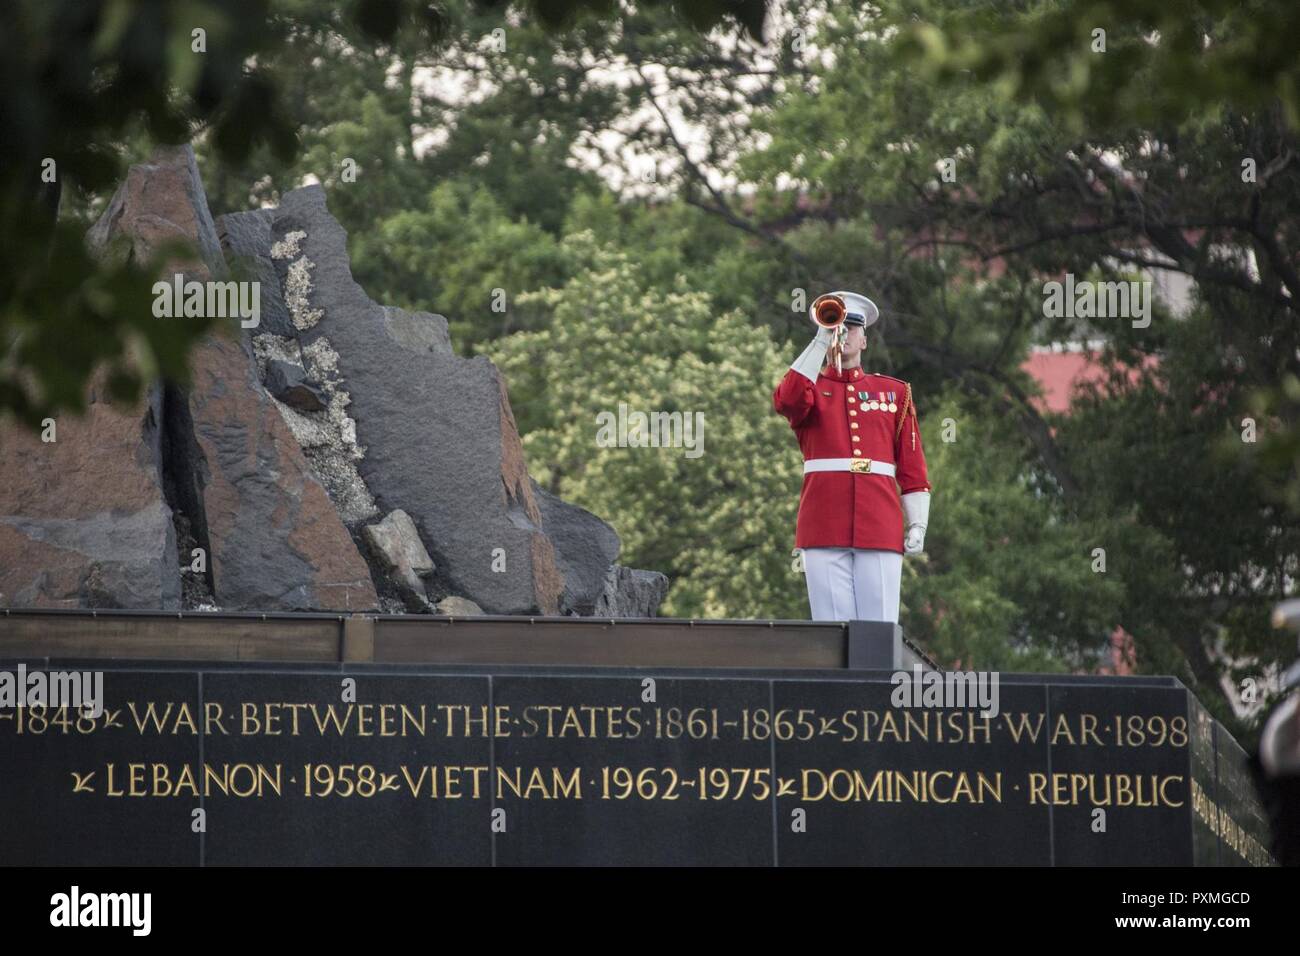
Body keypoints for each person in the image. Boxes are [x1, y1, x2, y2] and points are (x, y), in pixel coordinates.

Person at [772, 291, 932, 623]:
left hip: (880, 522)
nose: (844, 334)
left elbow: (912, 466)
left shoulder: (894, 392)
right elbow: (786, 401)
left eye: (852, 327)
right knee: (832, 631)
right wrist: (820, 340)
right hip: (823, 522)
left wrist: (918, 522)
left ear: (865, 339)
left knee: (879, 630)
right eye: (837, 326)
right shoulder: (810, 389)